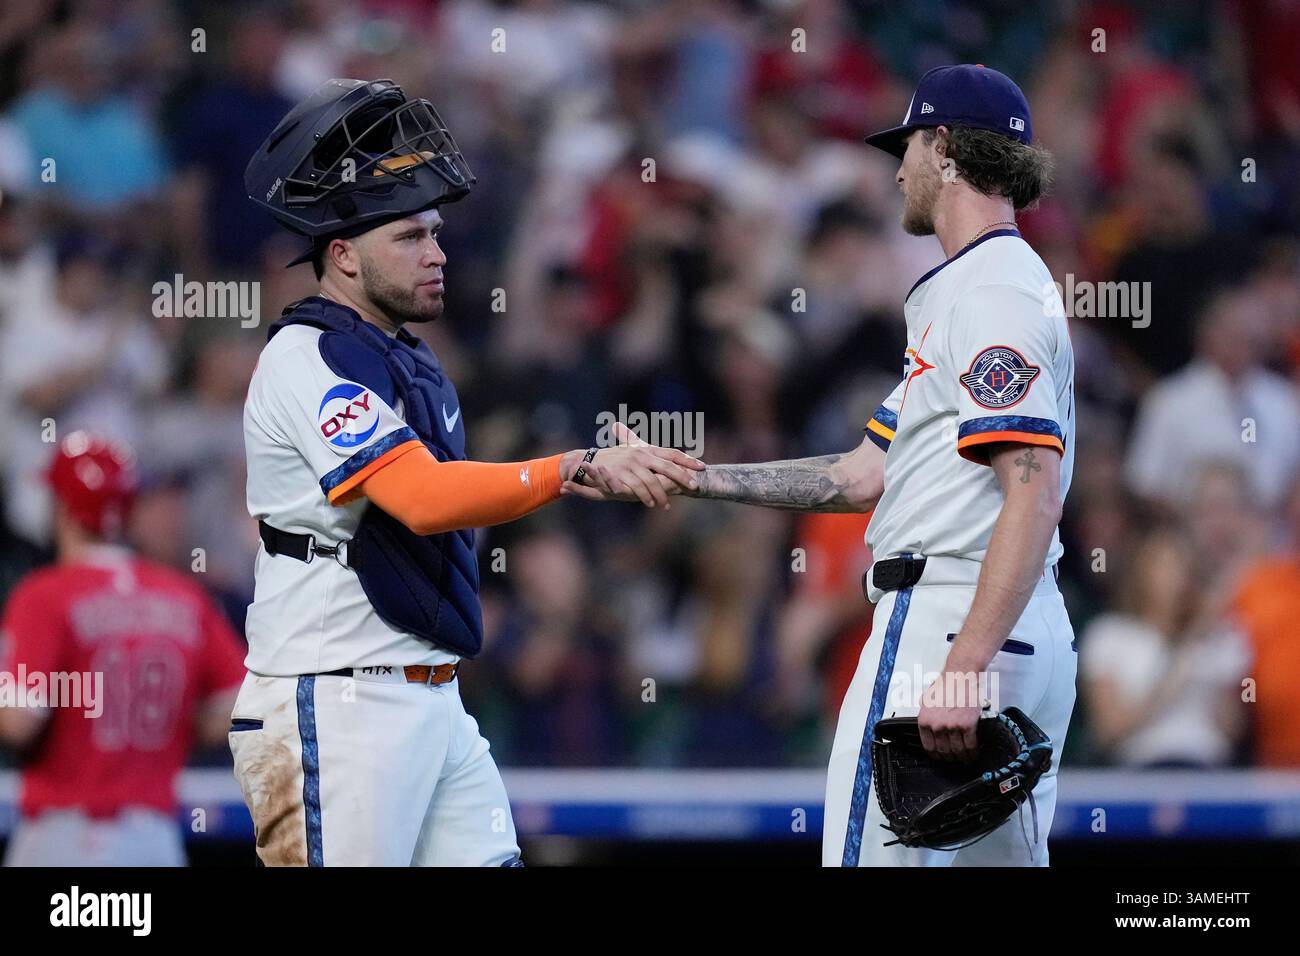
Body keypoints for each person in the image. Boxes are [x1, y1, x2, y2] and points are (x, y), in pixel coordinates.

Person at [572, 64, 1076, 866]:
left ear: (944, 148)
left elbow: (1033, 485)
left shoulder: (989, 293)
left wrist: (963, 664)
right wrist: (695, 476)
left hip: (948, 619)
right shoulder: (980, 289)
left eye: (906, 146)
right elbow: (858, 475)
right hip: (1010, 624)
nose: (899, 168)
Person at [236, 78, 702, 866]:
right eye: (410, 237)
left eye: (437, 234)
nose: (437, 253)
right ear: (342, 255)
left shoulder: (407, 362)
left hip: (430, 695)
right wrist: (576, 466)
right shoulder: (306, 357)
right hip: (335, 698)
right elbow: (419, 500)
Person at [0, 433, 247, 866]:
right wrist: (169, 719)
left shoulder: (45, 595)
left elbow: (19, 720)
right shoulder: (183, 595)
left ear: (61, 510)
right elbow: (241, 707)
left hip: (66, 838)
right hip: (155, 841)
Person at [1079, 523, 1249, 767]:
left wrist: (1212, 641)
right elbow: (1109, 729)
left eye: (1182, 567)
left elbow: (1232, 729)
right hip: (1140, 769)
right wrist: (1181, 658)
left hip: (1208, 769)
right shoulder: (1109, 634)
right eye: (1164, 566)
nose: (1175, 577)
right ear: (1141, 572)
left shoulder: (1219, 636)